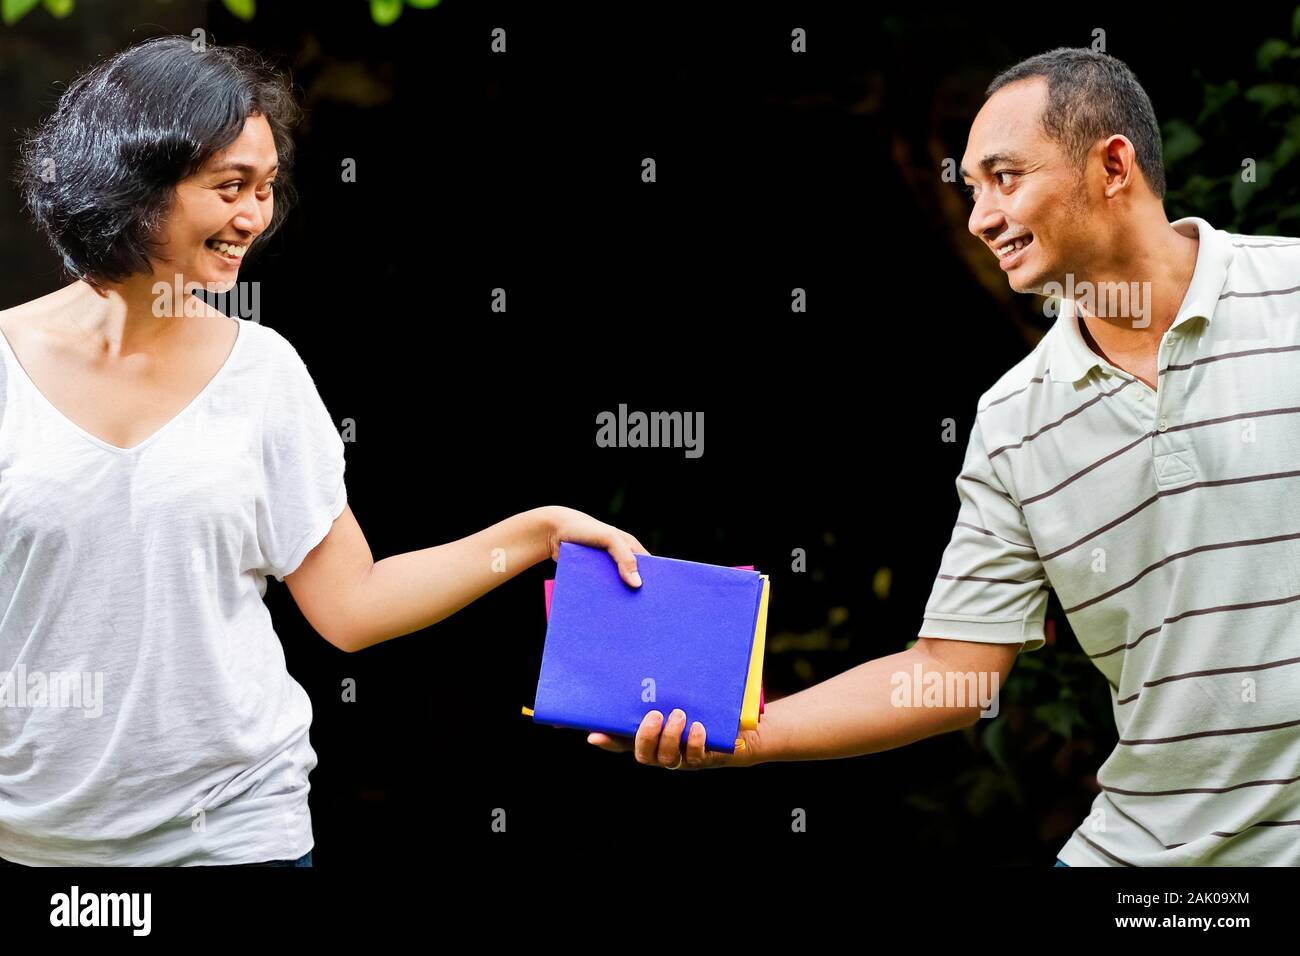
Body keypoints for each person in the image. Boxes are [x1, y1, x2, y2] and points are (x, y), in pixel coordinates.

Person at [591, 47, 1300, 868]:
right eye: (972, 189)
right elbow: (954, 670)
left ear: (1113, 165)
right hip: (1147, 856)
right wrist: (753, 734)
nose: (979, 217)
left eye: (1005, 177)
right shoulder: (1013, 421)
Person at [0, 35, 647, 867]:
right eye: (230, 186)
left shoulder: (262, 373)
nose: (254, 216)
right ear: (134, 181)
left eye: (266, 188)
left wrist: (537, 534)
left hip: (235, 834)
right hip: (27, 842)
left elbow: (350, 607)